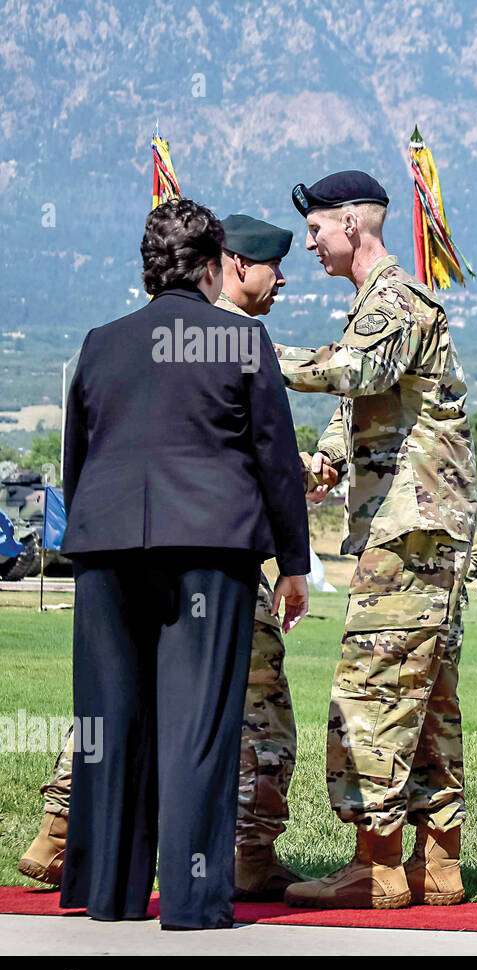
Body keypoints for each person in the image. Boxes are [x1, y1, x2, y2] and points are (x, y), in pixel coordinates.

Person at [18, 214, 325, 902]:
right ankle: (191, 902)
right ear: (213, 267)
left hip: (105, 546)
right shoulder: (243, 339)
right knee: (198, 726)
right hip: (208, 551)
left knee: (108, 720)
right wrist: (294, 563)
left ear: (146, 269)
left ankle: (106, 891)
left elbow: (79, 459)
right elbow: (276, 462)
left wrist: (96, 533)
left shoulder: (101, 344)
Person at [275, 170, 477, 909]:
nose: (308, 242)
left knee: (371, 691)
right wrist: (331, 454)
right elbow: (367, 398)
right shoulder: (381, 303)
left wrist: (254, 358)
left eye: (318, 228)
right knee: (426, 697)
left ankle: (375, 863)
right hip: (422, 529)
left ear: (354, 225)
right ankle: (438, 861)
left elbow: (356, 367)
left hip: (409, 531)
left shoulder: (392, 299)